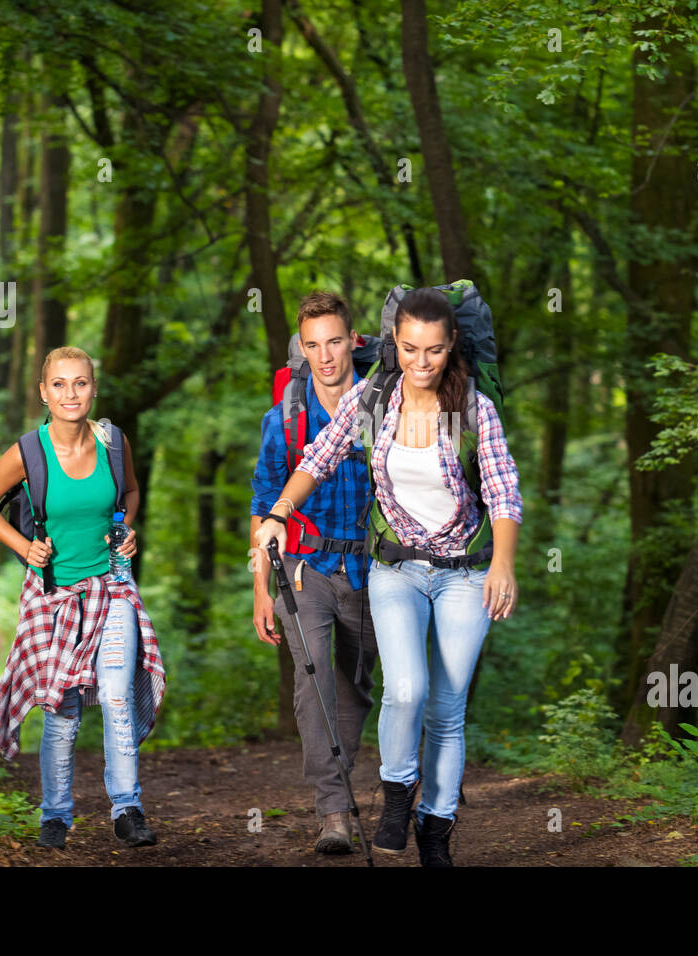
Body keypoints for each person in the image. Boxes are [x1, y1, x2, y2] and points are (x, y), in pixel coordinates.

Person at [254, 287, 522, 866]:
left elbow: (503, 491)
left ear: (451, 347)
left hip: (464, 574)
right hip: (396, 569)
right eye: (407, 349)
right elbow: (317, 458)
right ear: (391, 345)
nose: (419, 363)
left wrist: (503, 563)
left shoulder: (474, 408)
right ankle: (398, 790)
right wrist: (277, 515)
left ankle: (436, 825)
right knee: (406, 691)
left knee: (447, 709)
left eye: (432, 351)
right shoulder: (374, 398)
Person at [0, 346, 165, 850]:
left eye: (80, 383)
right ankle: (55, 815)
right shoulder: (29, 453)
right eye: (59, 384)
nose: (70, 393)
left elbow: (132, 494)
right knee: (64, 709)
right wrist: (24, 546)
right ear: (43, 392)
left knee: (117, 695)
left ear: (93, 389)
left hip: (112, 586)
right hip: (54, 596)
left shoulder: (113, 443)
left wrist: (126, 529)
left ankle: (128, 809)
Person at [250, 290, 378, 855]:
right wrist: (260, 588)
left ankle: (338, 786)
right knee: (314, 682)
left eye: (334, 342)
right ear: (301, 350)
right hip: (303, 568)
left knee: (354, 688)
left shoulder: (386, 406)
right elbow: (262, 503)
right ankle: (332, 812)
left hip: (375, 569)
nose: (325, 356)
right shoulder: (284, 418)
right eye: (312, 346)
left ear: (353, 341)